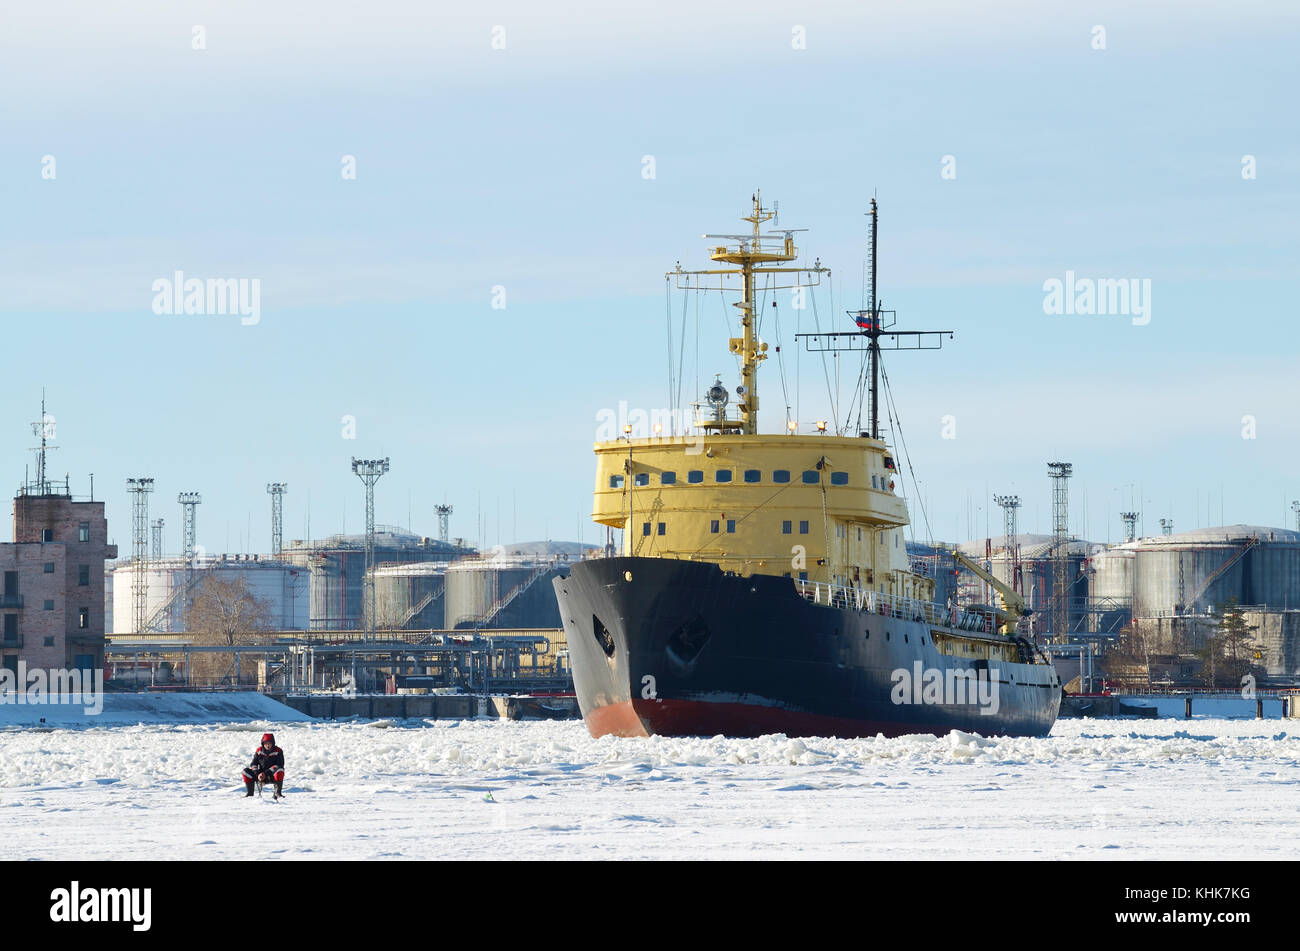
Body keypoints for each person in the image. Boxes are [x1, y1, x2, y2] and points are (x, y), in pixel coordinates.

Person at [243, 732, 285, 799]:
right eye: (265, 743)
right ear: (263, 744)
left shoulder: (278, 751)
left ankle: (278, 793)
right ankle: (250, 794)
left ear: (273, 743)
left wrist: (265, 773)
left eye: (269, 743)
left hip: (271, 775)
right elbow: (253, 764)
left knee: (280, 770)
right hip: (260, 775)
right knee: (245, 771)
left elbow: (279, 765)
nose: (267, 745)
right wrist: (257, 773)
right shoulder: (259, 750)